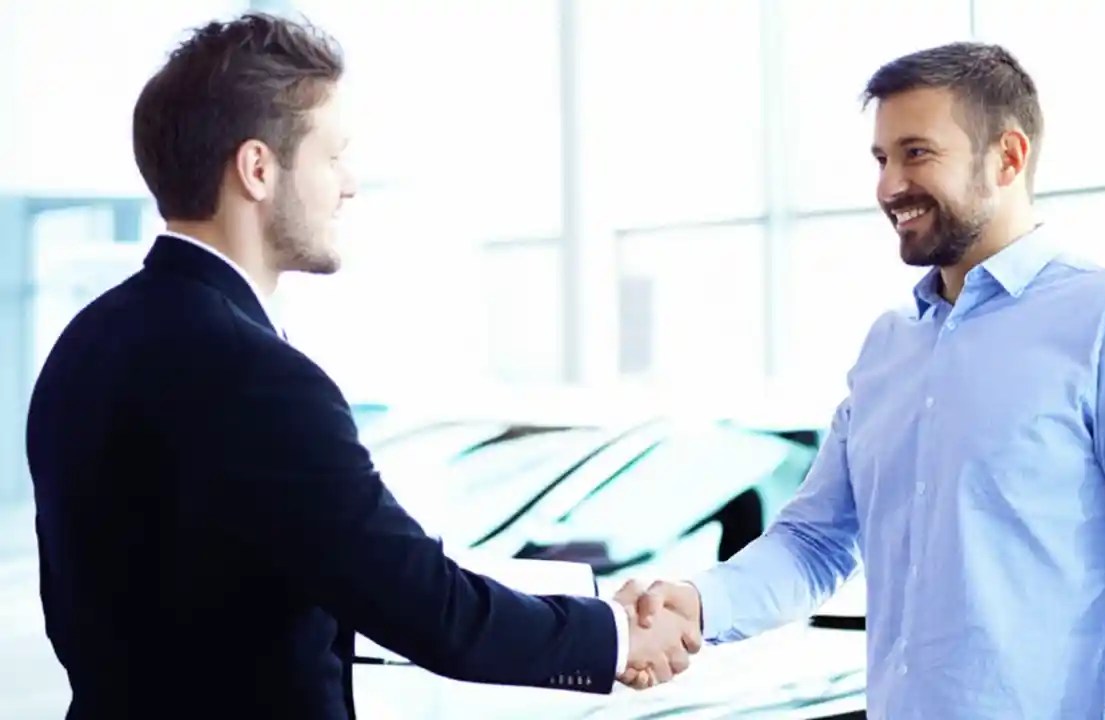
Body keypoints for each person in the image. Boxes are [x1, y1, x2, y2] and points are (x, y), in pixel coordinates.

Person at [25, 12, 697, 720]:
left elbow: (307, 566)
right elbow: (423, 604)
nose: (348, 185)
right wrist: (616, 636)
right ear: (258, 169)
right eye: (332, 156)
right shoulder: (254, 375)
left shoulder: (86, 344)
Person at [617, 41, 1105, 718]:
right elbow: (815, 541)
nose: (889, 187)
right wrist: (699, 603)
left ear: (1007, 157)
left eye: (917, 153)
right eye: (882, 159)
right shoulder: (891, 345)